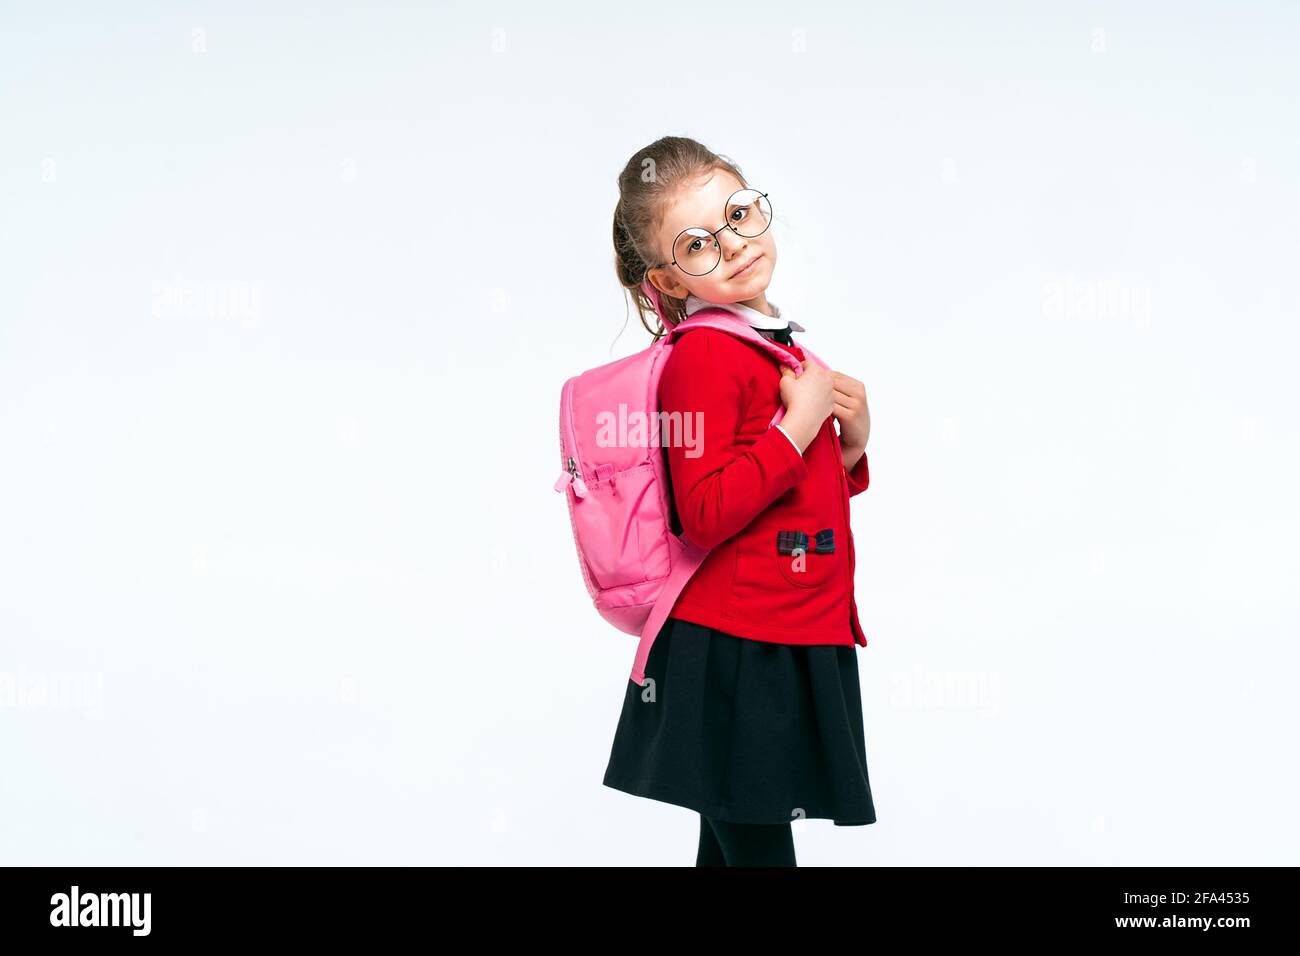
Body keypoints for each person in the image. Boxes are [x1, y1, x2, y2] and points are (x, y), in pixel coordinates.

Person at [602, 135, 878, 867]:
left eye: (738, 214)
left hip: (776, 634)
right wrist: (797, 424)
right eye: (697, 244)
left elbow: (786, 498)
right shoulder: (703, 355)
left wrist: (847, 448)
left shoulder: (766, 341)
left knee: (731, 854)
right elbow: (706, 511)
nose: (731, 245)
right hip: (734, 653)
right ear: (665, 276)